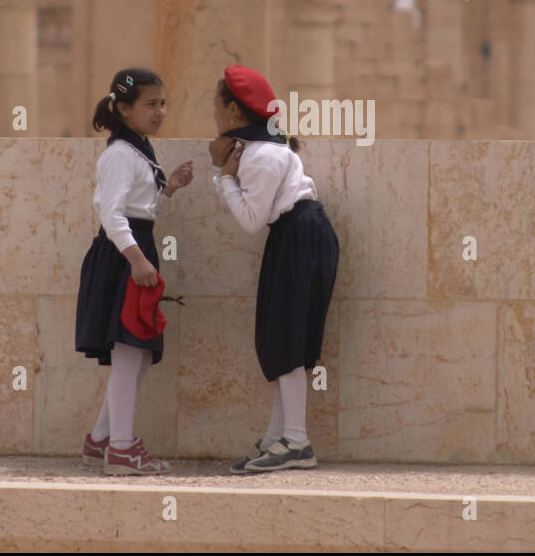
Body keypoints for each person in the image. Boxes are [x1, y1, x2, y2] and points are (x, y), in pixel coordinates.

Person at [209, 65, 339, 473]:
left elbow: (250, 220)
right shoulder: (262, 150)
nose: (213, 113)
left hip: (298, 236)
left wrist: (223, 177)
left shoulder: (262, 156)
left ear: (232, 109)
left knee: (288, 338)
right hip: (296, 236)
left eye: (216, 105)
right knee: (285, 336)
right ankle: (278, 437)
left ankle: (297, 443)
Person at [76, 68, 192, 475]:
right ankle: (121, 450)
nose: (159, 112)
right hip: (123, 257)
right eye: (150, 104)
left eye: (162, 103)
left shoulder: (138, 150)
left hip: (133, 251)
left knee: (138, 355)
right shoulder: (121, 155)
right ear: (123, 108)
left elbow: (143, 211)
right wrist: (137, 261)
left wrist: (170, 188)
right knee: (129, 352)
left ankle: (101, 441)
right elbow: (112, 214)